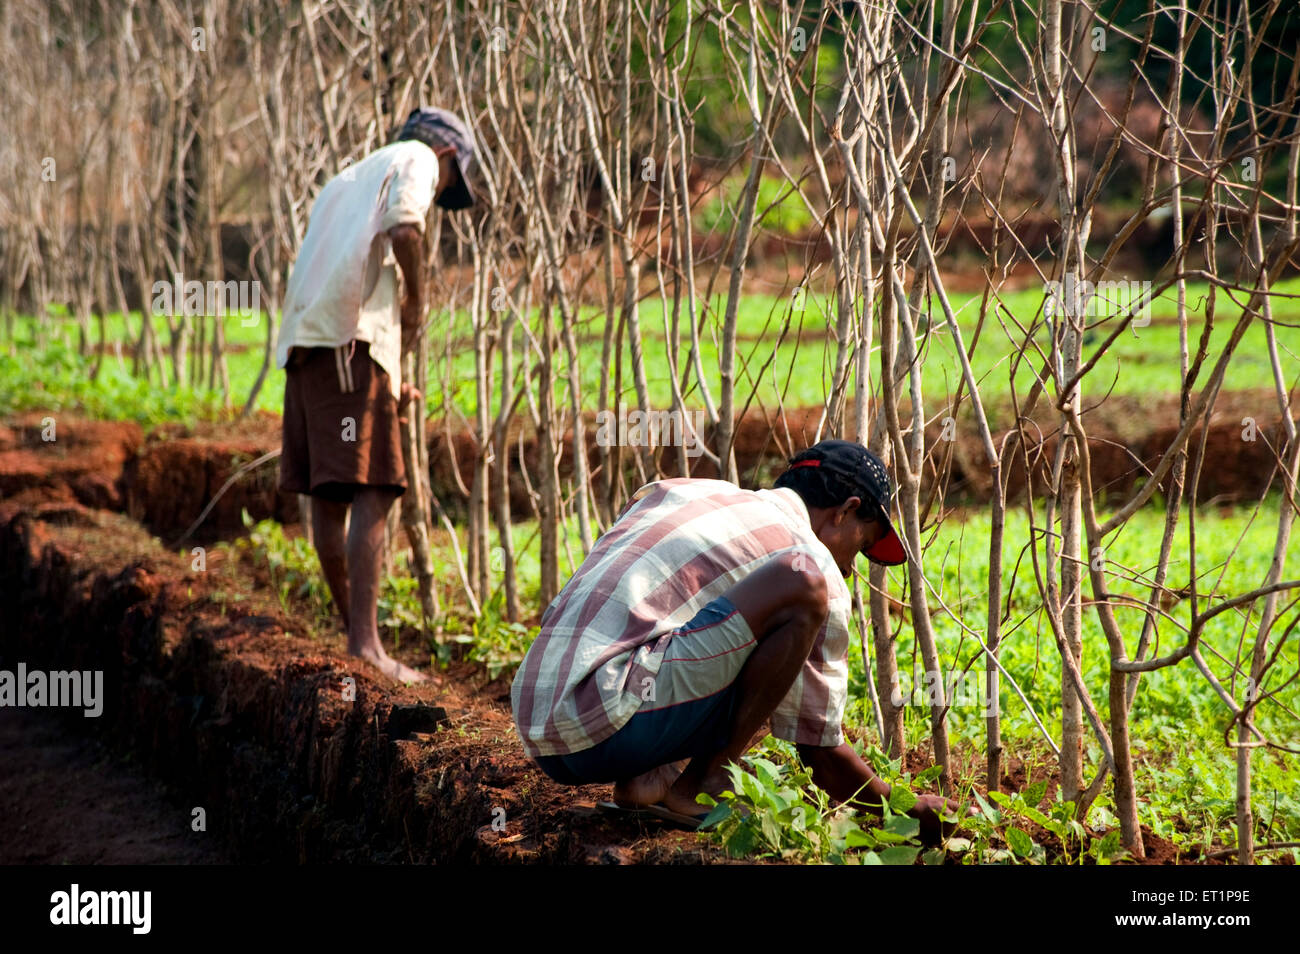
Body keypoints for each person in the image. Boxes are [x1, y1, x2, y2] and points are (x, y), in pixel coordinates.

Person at [511, 439, 960, 843]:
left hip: (538, 719)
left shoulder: (689, 491)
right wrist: (902, 806)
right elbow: (817, 746)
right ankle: (706, 782)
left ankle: (650, 777)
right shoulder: (811, 558)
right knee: (799, 586)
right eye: (861, 545)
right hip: (605, 722)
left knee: (705, 621)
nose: (849, 569)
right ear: (844, 510)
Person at [276, 107, 477, 682]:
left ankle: (355, 638)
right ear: (445, 156)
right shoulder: (413, 158)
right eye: (450, 185)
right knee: (376, 484)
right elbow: (406, 229)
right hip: (347, 346)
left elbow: (351, 267)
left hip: (315, 347)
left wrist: (386, 385)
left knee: (334, 490)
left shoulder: (346, 181)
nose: (443, 195)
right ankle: (365, 645)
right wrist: (418, 301)